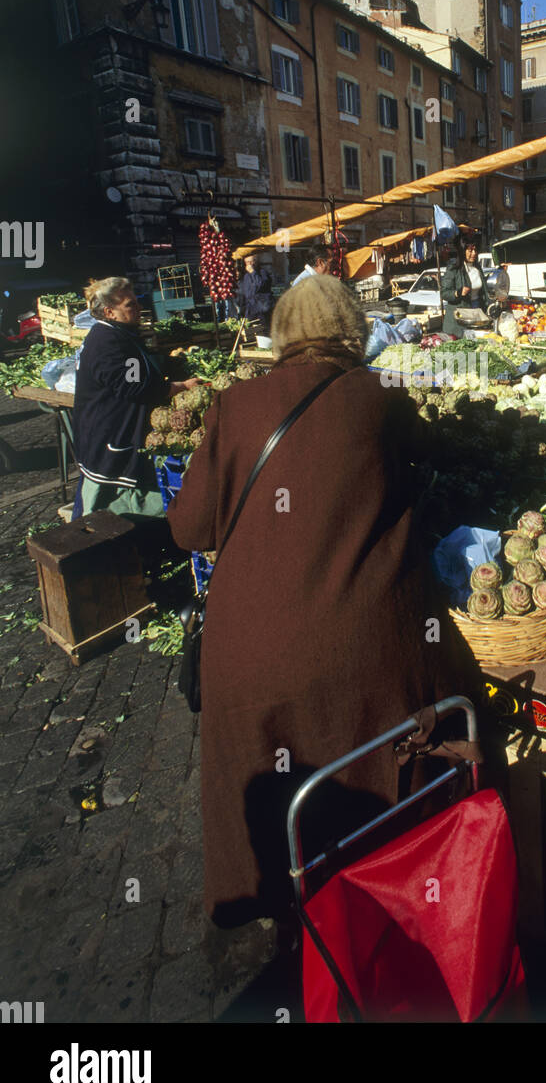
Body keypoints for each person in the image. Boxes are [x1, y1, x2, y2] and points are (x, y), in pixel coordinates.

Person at [167, 274, 484, 934]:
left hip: (246, 654)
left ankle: (274, 896)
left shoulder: (234, 404)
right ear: (352, 332)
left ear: (280, 336)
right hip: (355, 648)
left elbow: (188, 530)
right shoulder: (381, 395)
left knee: (268, 762)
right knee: (408, 711)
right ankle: (377, 881)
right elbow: (431, 454)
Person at [72, 276, 200, 518]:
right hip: (110, 434)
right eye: (130, 305)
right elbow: (135, 386)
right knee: (108, 511)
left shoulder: (121, 334)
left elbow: (137, 371)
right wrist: (179, 387)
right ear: (110, 312)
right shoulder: (107, 341)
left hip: (115, 429)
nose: (139, 308)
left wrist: (170, 365)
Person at [441, 238, 490, 309]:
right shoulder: (454, 269)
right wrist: (457, 293)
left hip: (477, 307)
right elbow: (444, 293)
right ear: (463, 251)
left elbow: (483, 290)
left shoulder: (477, 267)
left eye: (475, 250)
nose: (474, 253)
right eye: (470, 251)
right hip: (459, 311)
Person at [237, 253, 274, 327]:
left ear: (256, 261)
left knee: (264, 331)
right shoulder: (246, 276)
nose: (250, 264)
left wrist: (253, 272)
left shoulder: (262, 273)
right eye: (247, 262)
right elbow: (244, 293)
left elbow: (260, 285)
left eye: (251, 261)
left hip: (262, 309)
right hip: (250, 311)